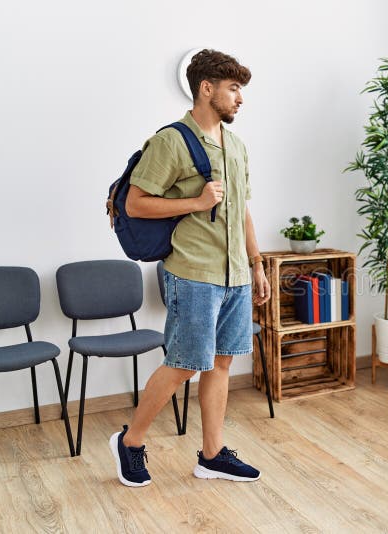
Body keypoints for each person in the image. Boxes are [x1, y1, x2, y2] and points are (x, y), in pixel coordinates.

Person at [109, 49, 270, 487]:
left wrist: (257, 264)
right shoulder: (171, 141)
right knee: (183, 363)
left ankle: (213, 455)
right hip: (193, 273)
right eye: (234, 88)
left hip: (235, 274)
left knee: (220, 364)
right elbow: (135, 203)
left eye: (241, 90)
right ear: (206, 88)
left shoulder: (235, 145)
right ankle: (130, 442)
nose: (240, 99)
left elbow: (242, 212)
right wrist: (196, 203)